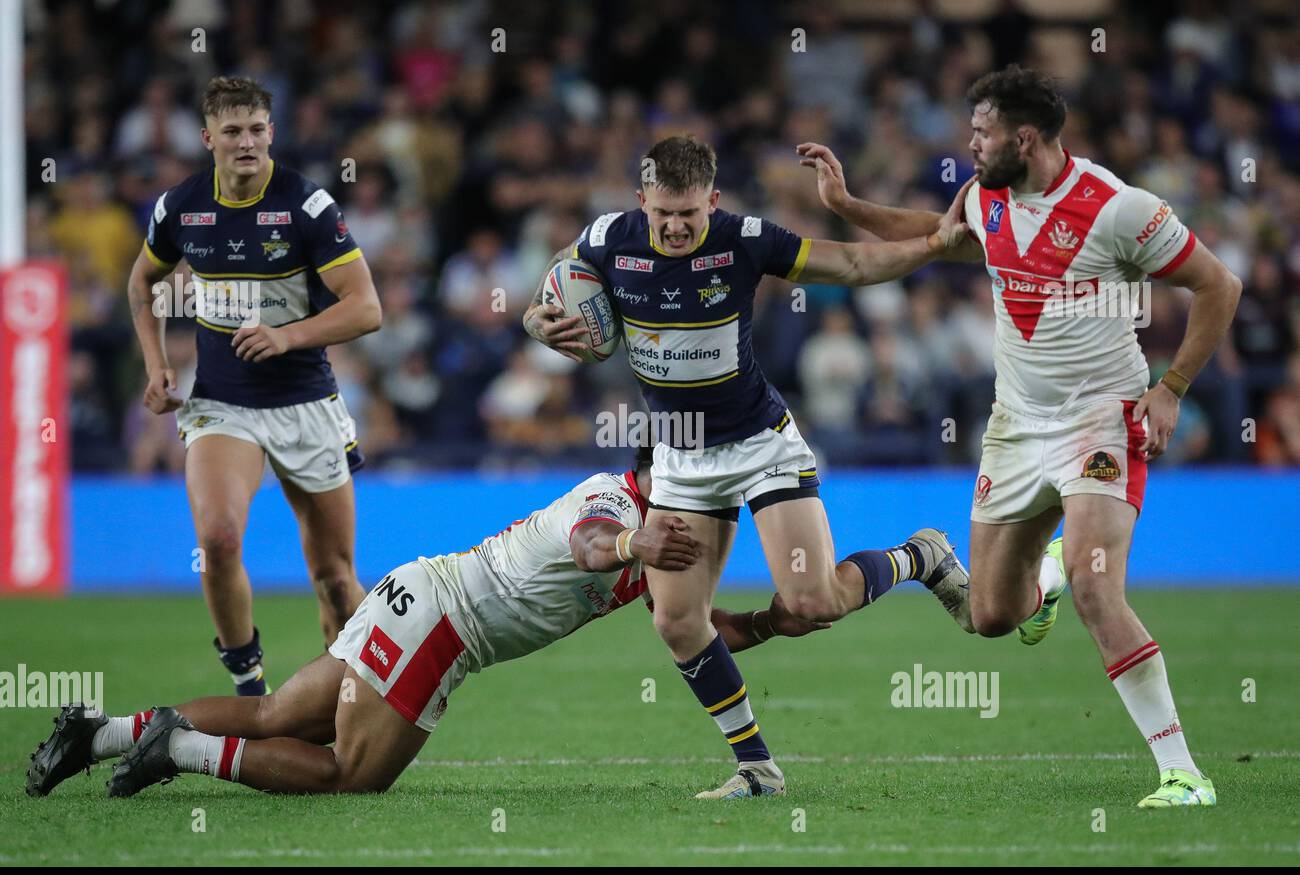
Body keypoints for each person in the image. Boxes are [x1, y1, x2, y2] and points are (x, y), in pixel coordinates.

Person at [797, 64, 1242, 808]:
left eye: (981, 132)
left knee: (1104, 591)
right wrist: (846, 205)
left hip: (1102, 416)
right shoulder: (986, 195)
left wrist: (1170, 389)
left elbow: (1218, 285)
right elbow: (937, 239)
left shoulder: (1117, 208)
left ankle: (1183, 774)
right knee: (991, 616)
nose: (968, 144)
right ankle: (1043, 577)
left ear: (1024, 137)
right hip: (1015, 426)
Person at [27, 448, 948, 800]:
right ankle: (177, 752)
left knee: (280, 719)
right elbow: (593, 545)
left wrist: (771, 622)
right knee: (352, 777)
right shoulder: (615, 504)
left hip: (423, 589)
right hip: (449, 625)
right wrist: (634, 543)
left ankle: (101, 733)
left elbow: (705, 629)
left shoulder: (663, 537)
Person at [523, 135, 977, 798]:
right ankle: (757, 768)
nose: (676, 226)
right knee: (677, 621)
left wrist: (932, 247)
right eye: (662, 214)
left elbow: (847, 264)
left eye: (690, 213)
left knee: (812, 602)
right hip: (681, 457)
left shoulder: (744, 239)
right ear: (641, 201)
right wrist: (538, 320)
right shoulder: (606, 237)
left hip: (762, 444)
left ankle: (921, 556)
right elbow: (556, 277)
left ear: (712, 200)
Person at [126, 76, 382, 696]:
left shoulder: (305, 206)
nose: (247, 142)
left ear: (272, 132)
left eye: (258, 129)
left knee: (335, 577)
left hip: (305, 402)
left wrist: (287, 335)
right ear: (208, 137)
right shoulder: (180, 208)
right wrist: (155, 364)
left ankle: (345, 703)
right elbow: (143, 286)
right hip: (222, 401)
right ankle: (249, 684)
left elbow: (366, 308)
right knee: (217, 538)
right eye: (233, 131)